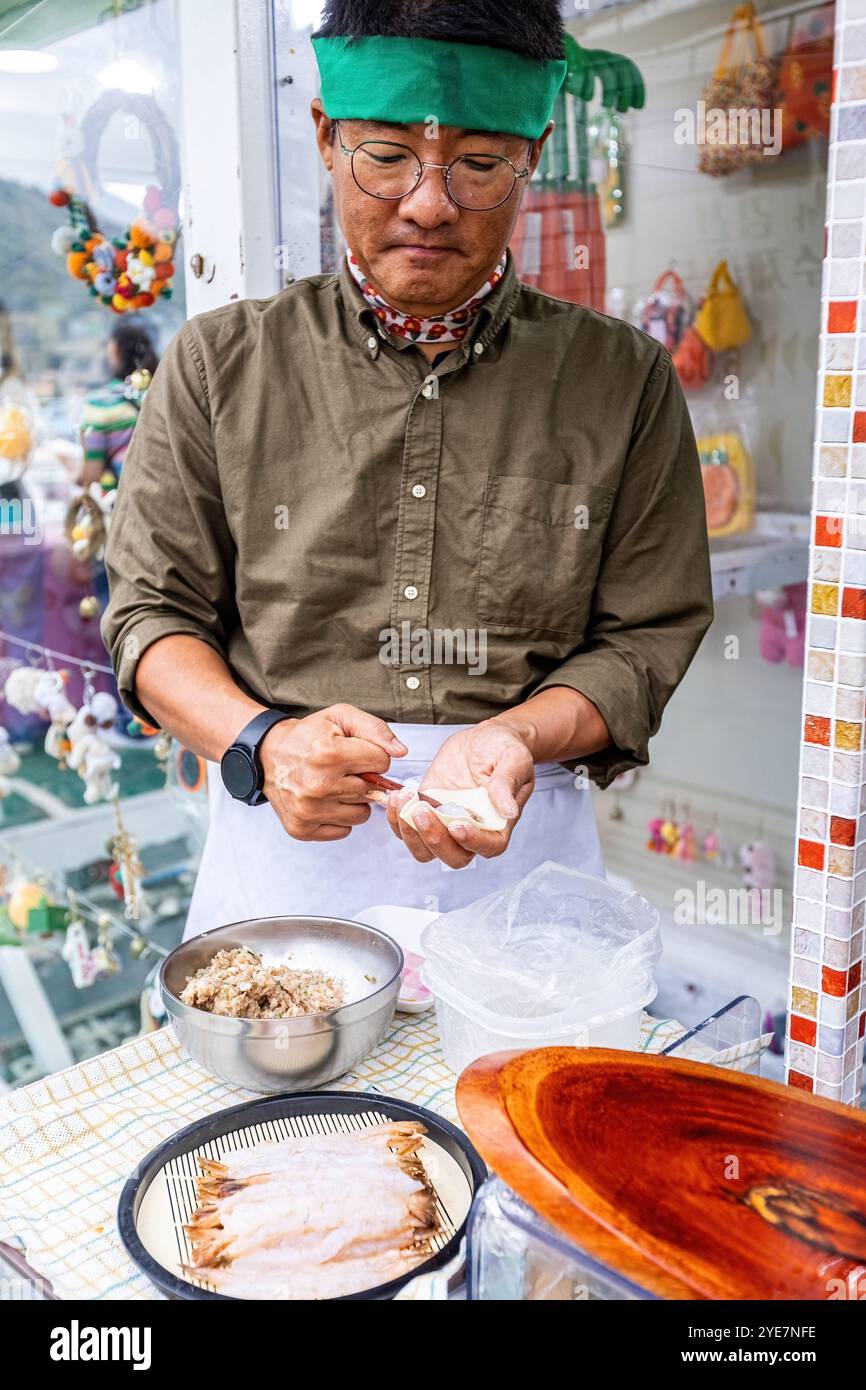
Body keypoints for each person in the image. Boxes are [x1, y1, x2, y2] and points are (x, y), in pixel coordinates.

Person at [102, 0, 714, 941]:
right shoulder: (220, 367)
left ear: (532, 155)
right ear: (325, 136)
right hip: (281, 865)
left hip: (522, 876)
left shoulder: (620, 380)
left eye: (478, 165)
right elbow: (151, 620)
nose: (429, 203)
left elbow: (643, 638)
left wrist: (516, 736)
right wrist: (262, 742)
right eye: (387, 156)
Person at [79, 321, 158, 488]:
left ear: (115, 351)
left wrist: (75, 476)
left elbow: (92, 475)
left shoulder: (100, 403)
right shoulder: (160, 393)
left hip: (125, 503)